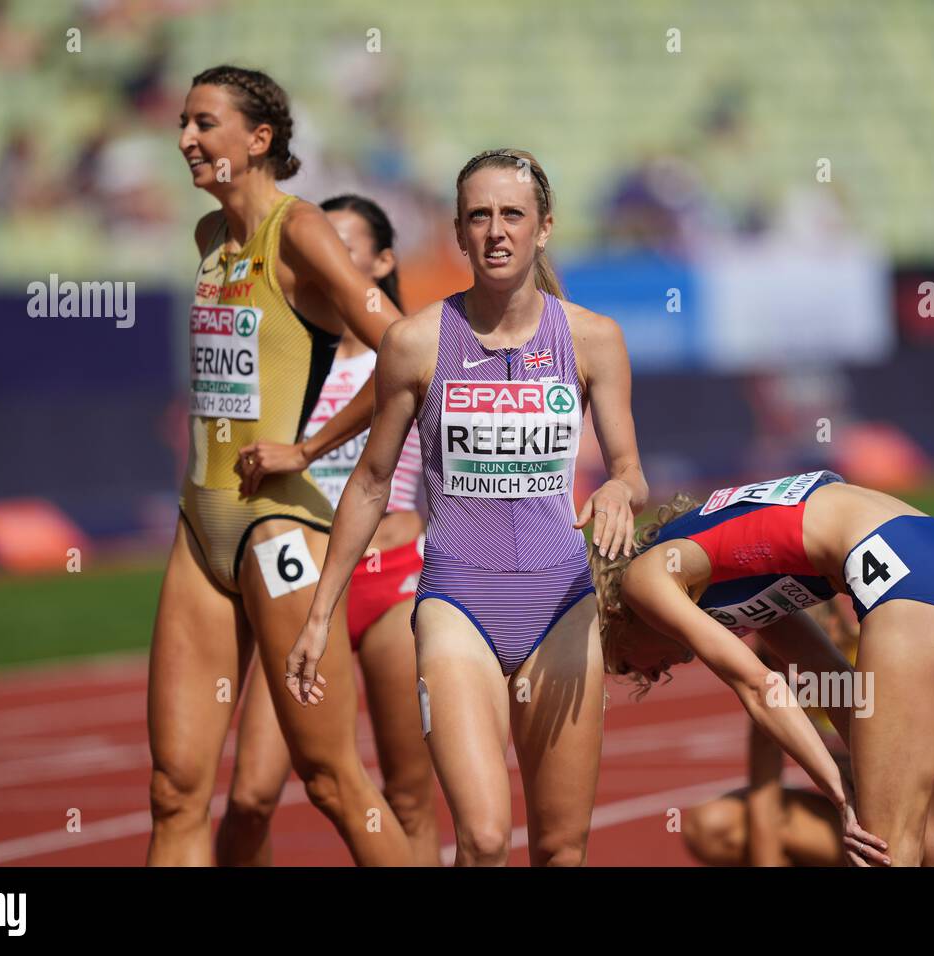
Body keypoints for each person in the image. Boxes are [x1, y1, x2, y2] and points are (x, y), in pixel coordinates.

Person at [287, 148, 647, 866]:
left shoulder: (594, 339)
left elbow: (632, 473)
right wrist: (321, 613)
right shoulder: (415, 343)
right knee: (483, 838)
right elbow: (370, 481)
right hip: (457, 600)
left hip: (562, 605)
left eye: (513, 214)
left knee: (561, 849)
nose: (496, 231)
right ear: (457, 232)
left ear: (545, 228)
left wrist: (614, 488)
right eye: (478, 216)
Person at [149, 65, 411, 866]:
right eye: (184, 123)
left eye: (206, 124)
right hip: (201, 527)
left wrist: (308, 448)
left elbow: (406, 349)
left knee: (332, 781)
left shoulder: (298, 232)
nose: (186, 138)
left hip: (278, 528)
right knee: (173, 793)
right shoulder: (206, 237)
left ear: (258, 140)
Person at [595, 470, 934, 866]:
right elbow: (826, 676)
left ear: (614, 614)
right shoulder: (734, 579)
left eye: (625, 662)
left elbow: (760, 687)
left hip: (903, 574)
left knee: (884, 850)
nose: (647, 675)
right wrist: (876, 769)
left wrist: (845, 797)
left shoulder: (644, 579)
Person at [215, 194, 438, 866]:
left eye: (343, 248)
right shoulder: (281, 360)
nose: (323, 260)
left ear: (382, 260)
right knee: (252, 794)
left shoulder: (404, 352)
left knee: (406, 795)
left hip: (394, 581)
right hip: (301, 583)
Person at [682, 601, 934, 866]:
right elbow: (764, 794)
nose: (780, 669)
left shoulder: (882, 658)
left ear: (832, 629)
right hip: (851, 819)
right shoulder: (772, 688)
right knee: (711, 825)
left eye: (786, 656)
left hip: (920, 814)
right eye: (769, 658)